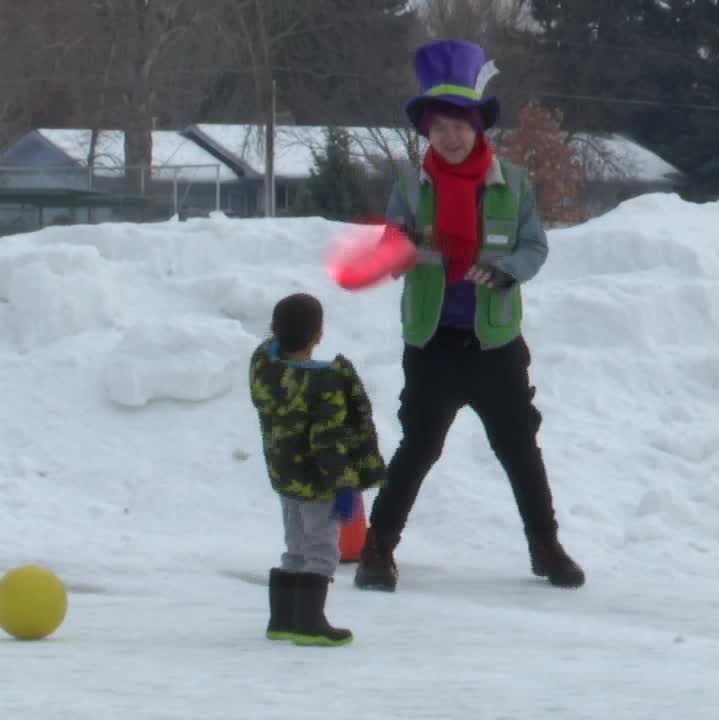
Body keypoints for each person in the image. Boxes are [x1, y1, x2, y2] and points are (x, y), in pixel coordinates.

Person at [353, 39, 585, 592]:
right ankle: (377, 552)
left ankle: (547, 548)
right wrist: (403, 247)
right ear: (427, 133)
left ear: (478, 128)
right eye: (440, 127)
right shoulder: (410, 188)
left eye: (459, 125)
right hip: (432, 343)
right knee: (418, 448)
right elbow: (390, 252)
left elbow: (534, 246)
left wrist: (507, 272)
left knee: (519, 450)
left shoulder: (514, 184)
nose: (450, 136)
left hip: (494, 344)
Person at [249, 292, 386, 646]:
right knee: (322, 550)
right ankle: (310, 623)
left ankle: (283, 619)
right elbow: (329, 441)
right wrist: (344, 486)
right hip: (318, 483)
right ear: (318, 335)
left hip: (286, 479)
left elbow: (267, 347)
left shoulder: (265, 370)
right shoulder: (323, 384)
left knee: (295, 546)